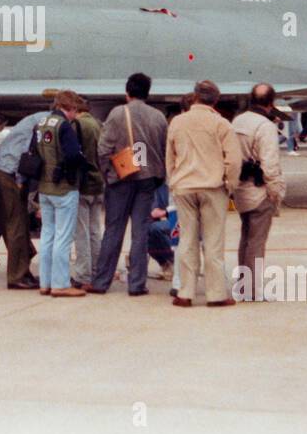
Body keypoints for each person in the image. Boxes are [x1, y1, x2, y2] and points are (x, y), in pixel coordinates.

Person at [90, 72, 168, 296]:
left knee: (113, 230)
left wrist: (108, 173)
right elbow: (163, 151)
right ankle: (137, 284)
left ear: (127, 92)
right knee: (140, 232)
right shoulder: (158, 117)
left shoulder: (117, 114)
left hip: (121, 179)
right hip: (148, 179)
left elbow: (103, 149)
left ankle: (101, 281)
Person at [166, 80, 241, 307]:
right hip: (212, 186)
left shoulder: (177, 122)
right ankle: (216, 294)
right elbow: (234, 160)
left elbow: (170, 156)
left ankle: (185, 292)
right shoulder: (221, 124)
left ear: (195, 96)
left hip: (184, 186)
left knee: (186, 240)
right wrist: (230, 184)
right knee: (213, 242)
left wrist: (173, 181)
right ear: (216, 100)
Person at [231, 84, 286, 302]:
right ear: (271, 103)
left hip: (240, 188)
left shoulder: (237, 121)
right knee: (256, 241)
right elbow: (270, 163)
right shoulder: (265, 126)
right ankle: (252, 290)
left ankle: (243, 286)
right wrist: (275, 192)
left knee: (245, 238)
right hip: (258, 189)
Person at [32, 91, 86, 297]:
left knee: (47, 235)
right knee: (63, 238)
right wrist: (84, 164)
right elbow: (72, 154)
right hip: (63, 188)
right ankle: (61, 283)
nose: (75, 115)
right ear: (69, 108)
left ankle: (45, 282)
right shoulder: (64, 126)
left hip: (44, 187)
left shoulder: (41, 122)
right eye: (75, 110)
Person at [0, 110, 47, 290]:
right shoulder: (46, 122)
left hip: (9, 170)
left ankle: (23, 270)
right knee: (16, 224)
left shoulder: (40, 118)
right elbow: (34, 152)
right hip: (9, 173)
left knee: (18, 222)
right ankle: (17, 276)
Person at [69, 97, 105, 288]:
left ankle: (83, 276)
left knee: (81, 232)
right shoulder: (98, 125)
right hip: (98, 183)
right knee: (94, 231)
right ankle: (97, 271)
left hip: (82, 185)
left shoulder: (77, 125)